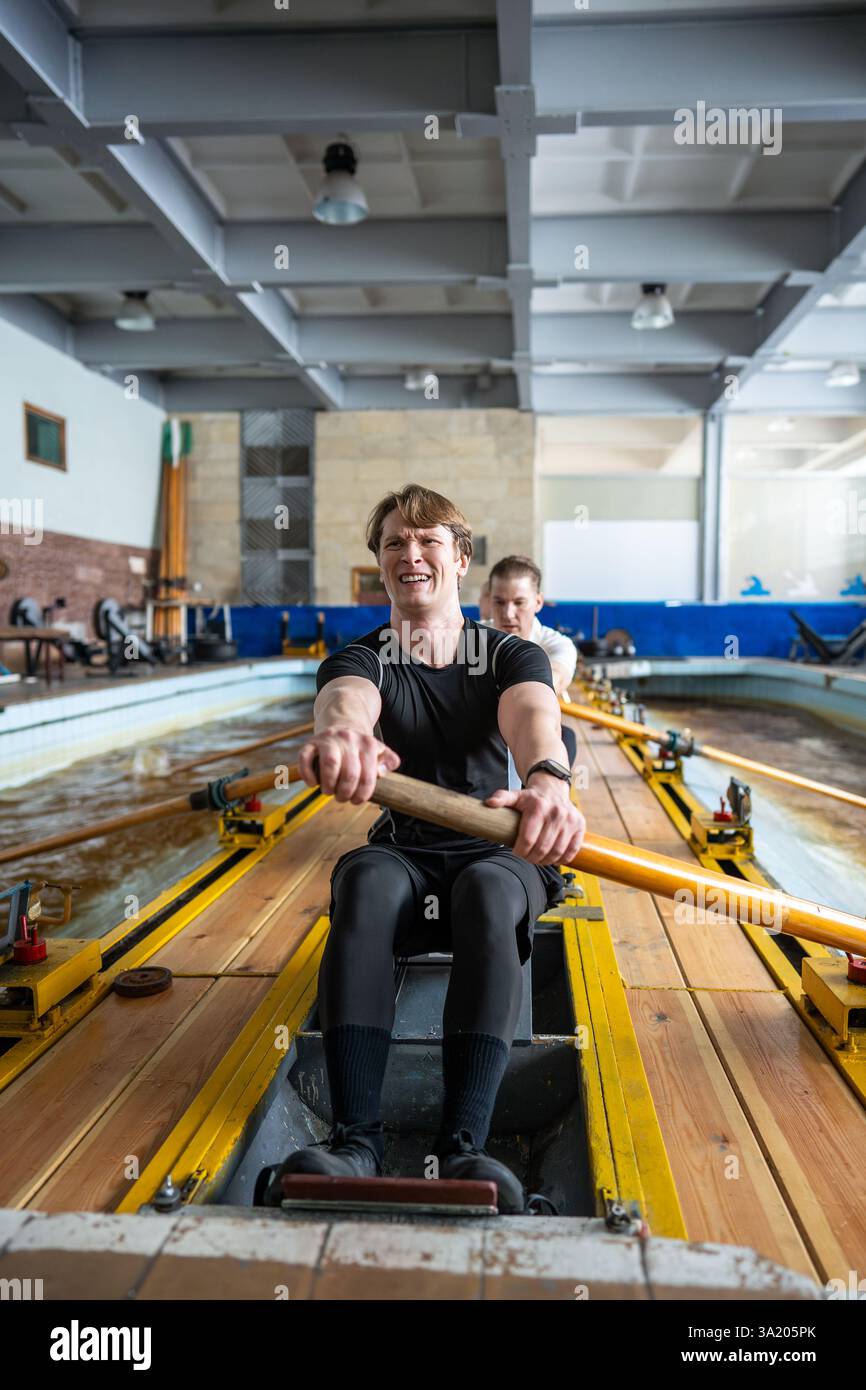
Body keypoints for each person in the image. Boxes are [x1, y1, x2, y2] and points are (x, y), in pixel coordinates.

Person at [265, 484, 585, 1213]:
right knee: (365, 880)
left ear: (460, 558)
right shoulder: (363, 657)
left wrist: (548, 780)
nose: (411, 554)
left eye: (429, 540)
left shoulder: (507, 655)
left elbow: (535, 718)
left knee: (492, 891)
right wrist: (344, 736)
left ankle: (465, 1144)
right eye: (393, 544)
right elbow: (347, 701)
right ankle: (356, 1141)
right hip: (406, 856)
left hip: (498, 845)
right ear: (379, 564)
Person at [486, 555, 579, 765]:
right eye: (499, 602)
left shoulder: (558, 645)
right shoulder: (468, 637)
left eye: (519, 603)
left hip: (525, 728)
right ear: (488, 599)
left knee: (567, 739)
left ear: (538, 602)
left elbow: (549, 683)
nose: (508, 614)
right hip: (476, 735)